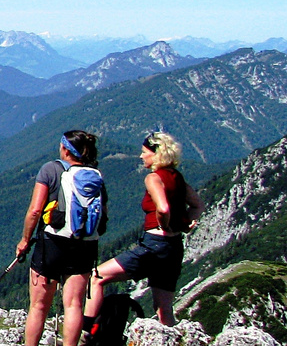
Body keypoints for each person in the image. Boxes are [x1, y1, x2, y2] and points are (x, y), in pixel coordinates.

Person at [85, 132, 203, 327]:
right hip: (173, 247)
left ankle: (86, 332)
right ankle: (172, 345)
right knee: (164, 308)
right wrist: (185, 224)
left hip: (154, 244)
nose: (141, 156)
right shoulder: (178, 177)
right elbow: (198, 205)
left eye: (144, 152)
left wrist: (163, 224)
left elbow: (162, 208)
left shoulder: (154, 178)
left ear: (156, 154)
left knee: (97, 277)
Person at [15, 130, 106, 346]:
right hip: (84, 245)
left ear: (66, 149)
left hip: (52, 243)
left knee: (38, 305)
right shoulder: (94, 176)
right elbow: (103, 217)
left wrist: (25, 240)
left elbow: (35, 211)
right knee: (74, 304)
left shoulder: (50, 170)